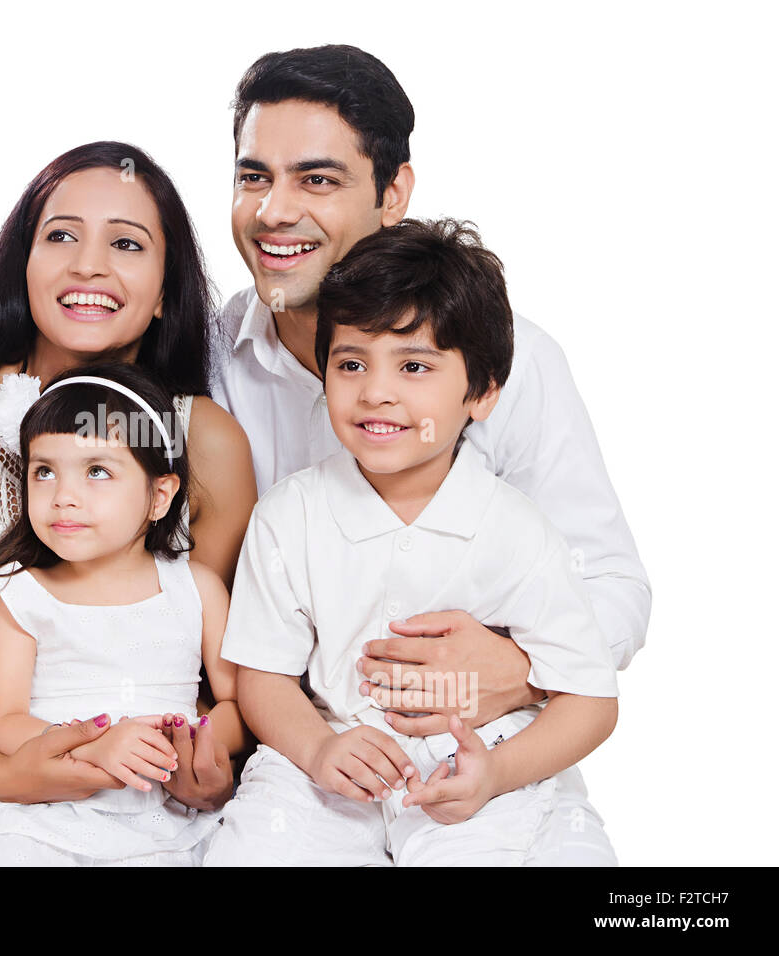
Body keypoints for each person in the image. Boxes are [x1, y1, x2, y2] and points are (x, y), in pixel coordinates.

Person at [0, 43, 650, 744]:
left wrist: (523, 668)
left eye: (319, 179)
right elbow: (77, 421)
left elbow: (611, 586)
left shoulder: (506, 355)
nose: (274, 211)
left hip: (464, 746)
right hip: (275, 768)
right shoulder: (209, 363)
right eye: (254, 176)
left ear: (394, 193)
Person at [0, 141, 255, 867]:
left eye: (126, 243)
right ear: (21, 267)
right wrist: (1, 773)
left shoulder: (205, 442)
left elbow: (204, 666)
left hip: (140, 803)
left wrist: (209, 766)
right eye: (60, 235)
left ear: (163, 293)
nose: (87, 263)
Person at [205, 219, 619, 866]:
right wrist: (317, 749)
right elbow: (264, 675)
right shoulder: (290, 514)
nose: (376, 391)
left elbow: (589, 700)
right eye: (350, 363)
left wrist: (497, 773)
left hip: (474, 760)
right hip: (333, 754)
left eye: (415, 365)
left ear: (481, 392)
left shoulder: (517, 531)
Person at [0, 364, 235, 866]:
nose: (63, 495)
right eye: (44, 471)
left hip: (170, 812)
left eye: (97, 471)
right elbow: (0, 720)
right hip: (53, 810)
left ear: (159, 496)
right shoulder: (23, 597)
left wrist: (189, 750)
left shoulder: (196, 588)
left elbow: (237, 704)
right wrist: (97, 744)